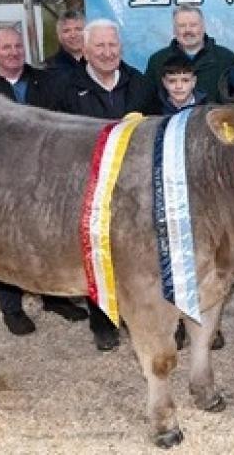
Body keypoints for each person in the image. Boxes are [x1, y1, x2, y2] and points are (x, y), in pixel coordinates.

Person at [0, 27, 88, 335]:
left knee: (45, 236)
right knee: (2, 242)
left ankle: (53, 298)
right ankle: (11, 306)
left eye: (18, 46)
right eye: (6, 47)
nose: (13, 52)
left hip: (43, 176)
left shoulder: (46, 80)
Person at [52, 19, 161, 351]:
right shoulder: (63, 88)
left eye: (112, 45)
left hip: (134, 189)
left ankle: (138, 316)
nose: (107, 52)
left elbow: (156, 130)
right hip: (86, 188)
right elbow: (54, 137)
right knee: (95, 253)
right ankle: (102, 323)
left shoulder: (141, 84)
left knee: (137, 256)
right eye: (99, 46)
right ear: (84, 50)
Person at [143, 5, 234, 102]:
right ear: (174, 30)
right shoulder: (157, 61)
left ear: (203, 27)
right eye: (182, 26)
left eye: (193, 25)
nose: (188, 30)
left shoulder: (226, 58)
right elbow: (148, 100)